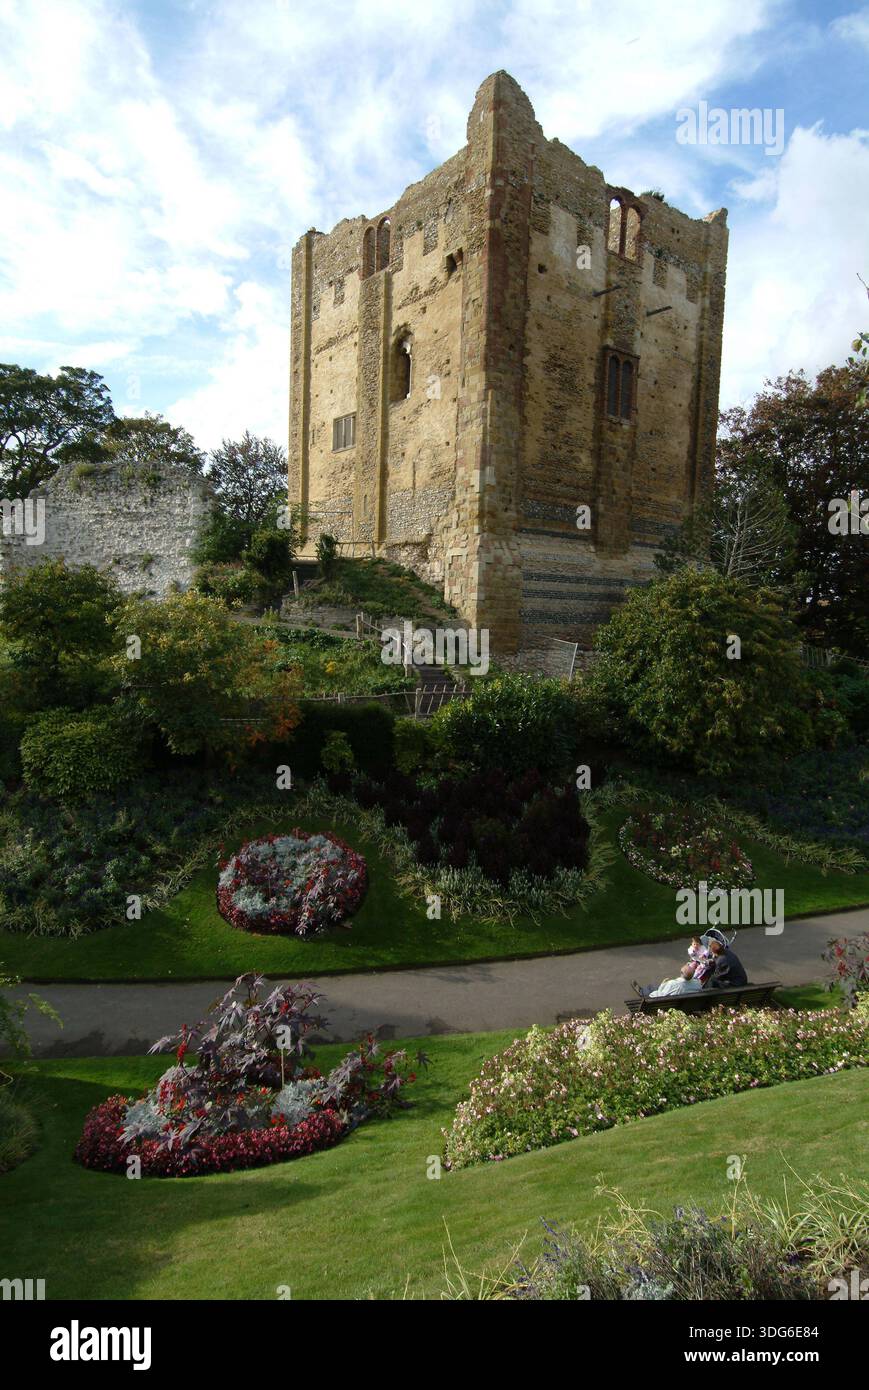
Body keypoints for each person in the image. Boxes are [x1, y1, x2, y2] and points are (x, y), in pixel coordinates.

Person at [633, 962, 704, 999]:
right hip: (684, 1002)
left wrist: (663, 984)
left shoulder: (673, 984)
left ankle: (642, 992)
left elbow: (660, 995)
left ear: (681, 973)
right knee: (653, 986)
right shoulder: (697, 984)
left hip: (668, 1002)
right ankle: (644, 990)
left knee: (651, 988)